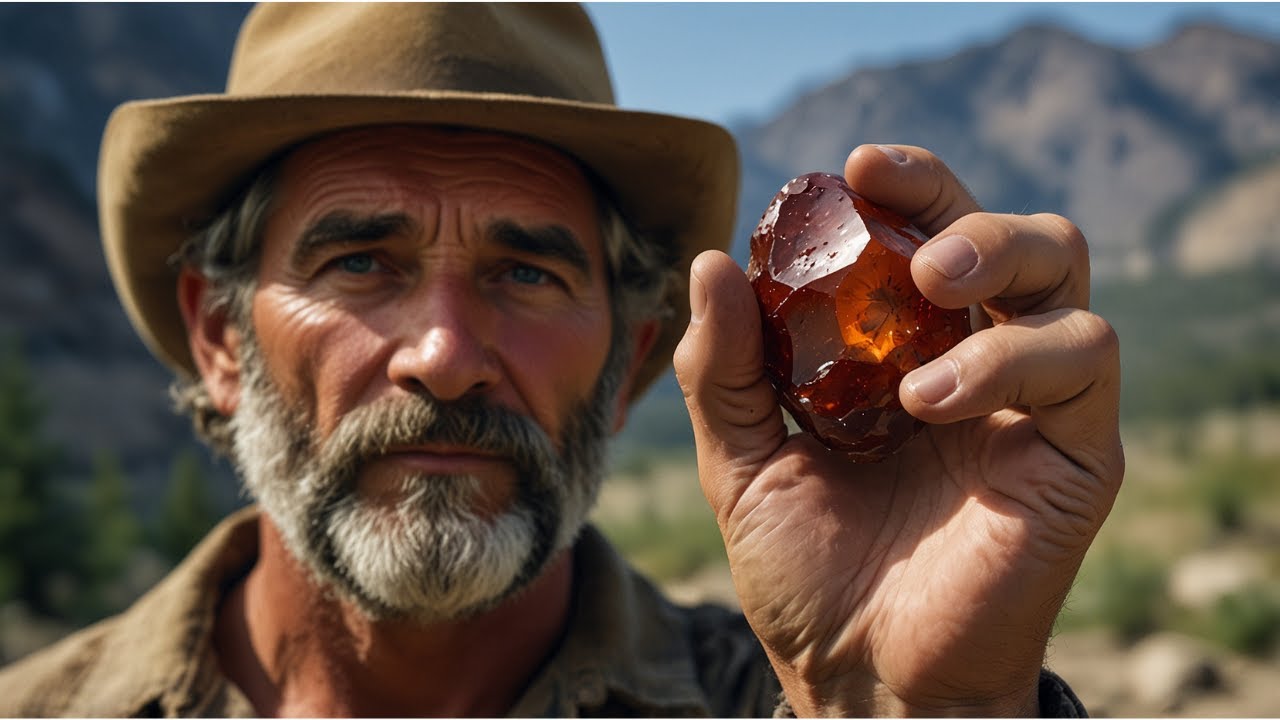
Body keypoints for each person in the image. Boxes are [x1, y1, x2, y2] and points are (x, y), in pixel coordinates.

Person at [0, 3, 1123, 717]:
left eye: (526, 274)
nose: (443, 358)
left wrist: (910, 705)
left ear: (634, 354)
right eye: (358, 263)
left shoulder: (782, 698)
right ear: (218, 337)